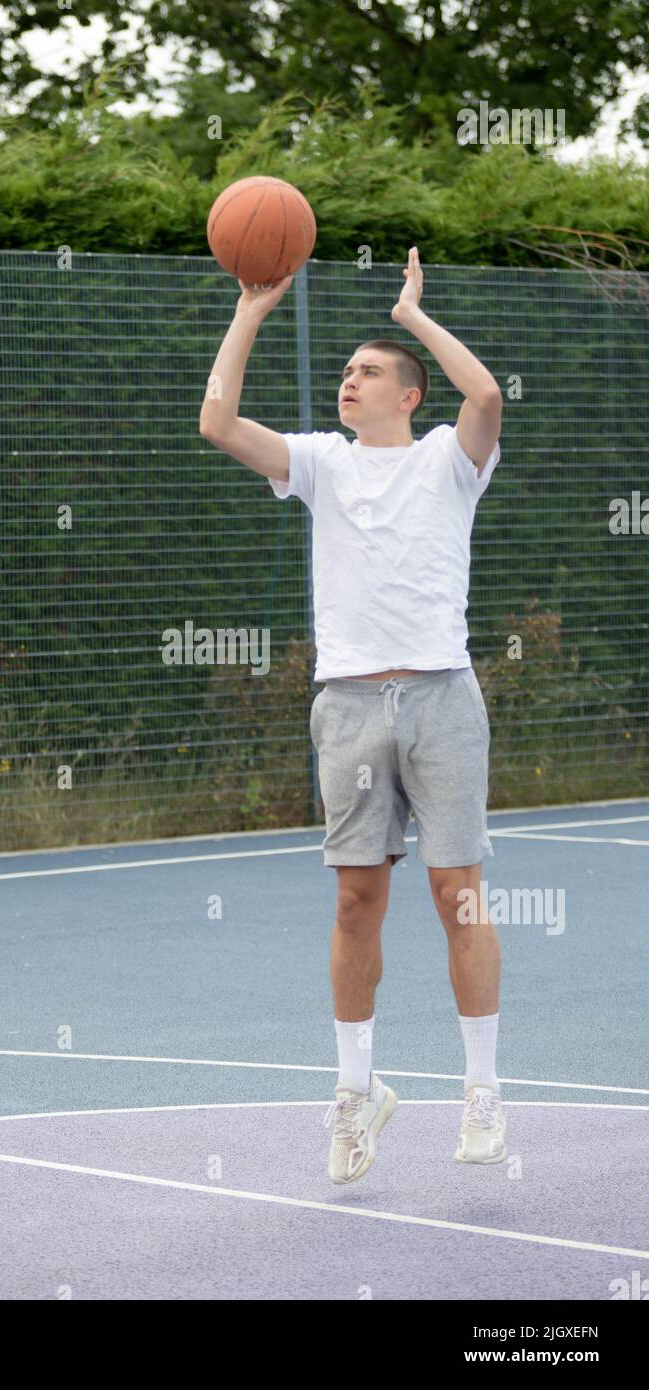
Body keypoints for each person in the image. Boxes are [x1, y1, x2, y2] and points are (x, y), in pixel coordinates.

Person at [199, 247, 505, 1184]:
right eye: (344, 371)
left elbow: (487, 393)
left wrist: (412, 318)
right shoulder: (320, 464)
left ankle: (483, 1092)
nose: (348, 380)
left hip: (442, 698)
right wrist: (252, 308)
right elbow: (216, 421)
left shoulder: (452, 460)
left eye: (366, 372)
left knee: (458, 892)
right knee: (354, 900)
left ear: (409, 395)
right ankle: (356, 1092)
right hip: (349, 704)